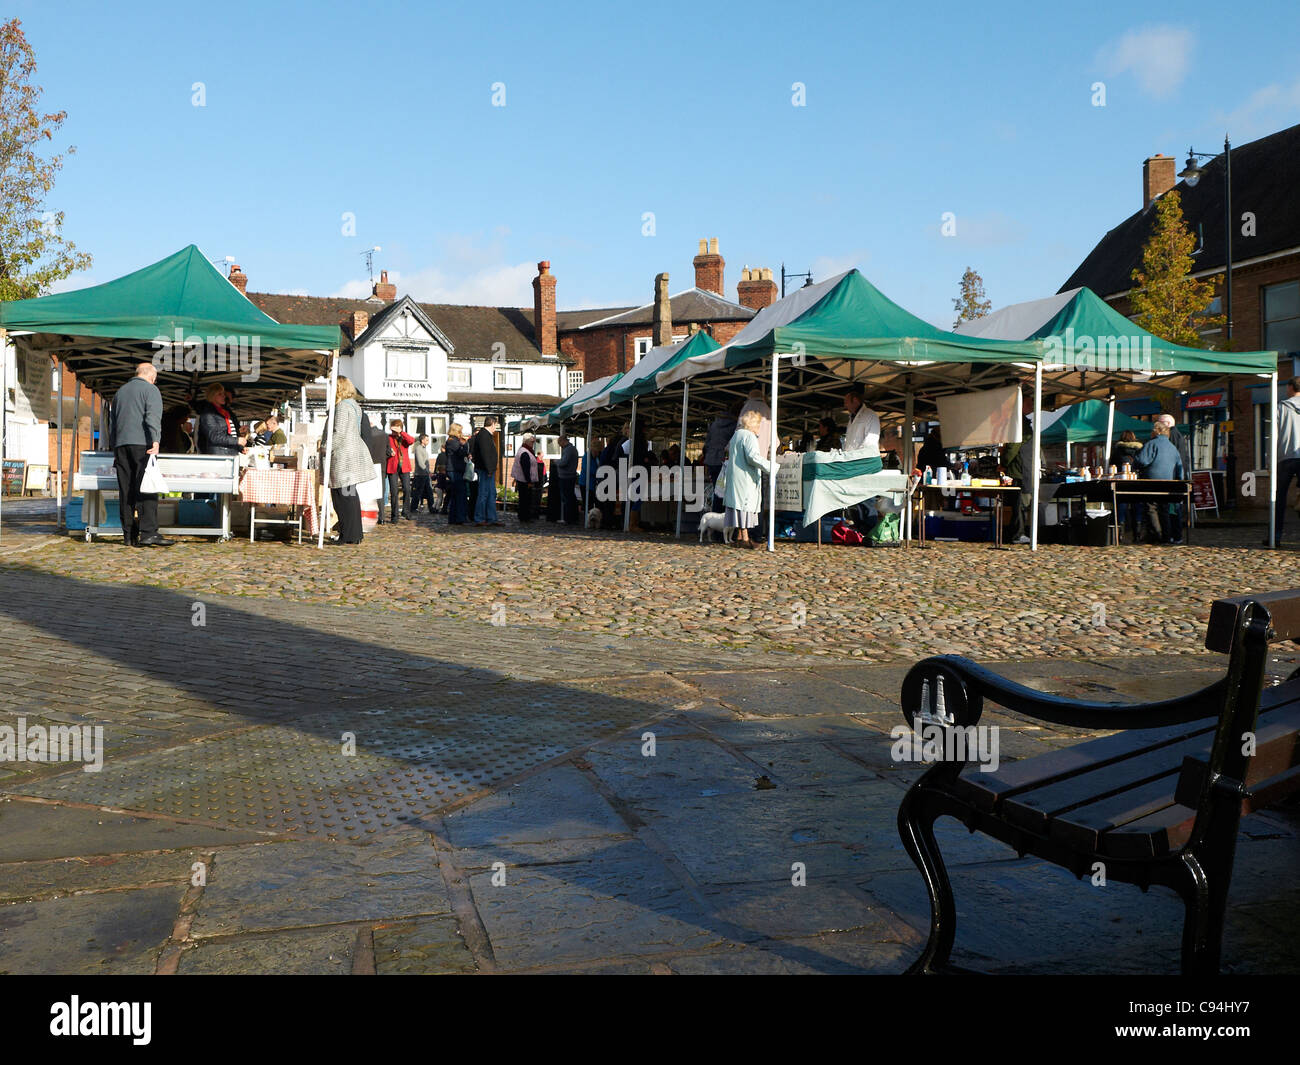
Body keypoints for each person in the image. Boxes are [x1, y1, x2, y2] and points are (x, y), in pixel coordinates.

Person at [108, 362, 172, 548]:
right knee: (147, 488)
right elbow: (152, 417)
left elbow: (113, 423)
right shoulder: (151, 390)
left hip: (121, 446)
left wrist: (115, 446)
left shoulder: (119, 393)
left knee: (126, 491)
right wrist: (156, 440)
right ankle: (149, 533)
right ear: (152, 377)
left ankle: (128, 535)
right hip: (143, 445)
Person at [325, 376, 371, 545]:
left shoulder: (343, 407)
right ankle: (354, 534)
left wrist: (325, 447)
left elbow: (339, 432)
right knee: (349, 496)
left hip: (343, 458)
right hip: (350, 457)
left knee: (343, 497)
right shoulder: (353, 405)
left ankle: (348, 535)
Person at [724, 409, 772, 549]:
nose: (759, 429)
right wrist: (771, 466)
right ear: (753, 425)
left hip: (736, 476)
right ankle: (745, 538)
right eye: (758, 425)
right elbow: (753, 457)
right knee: (745, 506)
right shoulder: (749, 436)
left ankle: (740, 536)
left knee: (739, 506)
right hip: (745, 477)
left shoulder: (736, 435)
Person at [1135, 421, 1185, 543]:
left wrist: (1135, 460)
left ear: (1157, 431)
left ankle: (1157, 534)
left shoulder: (1151, 444)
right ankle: (1167, 536)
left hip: (1152, 482)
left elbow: (1142, 461)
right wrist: (1180, 483)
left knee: (1151, 508)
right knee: (1164, 509)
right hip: (1168, 484)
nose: (1151, 433)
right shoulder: (1173, 448)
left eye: (1152, 430)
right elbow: (1179, 467)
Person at [1002, 396, 1038, 544]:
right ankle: (1017, 534)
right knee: (1020, 504)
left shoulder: (1021, 422)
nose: (1032, 405)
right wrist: (1004, 463)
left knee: (1020, 503)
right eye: (1030, 402)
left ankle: (1017, 533)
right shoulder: (1020, 423)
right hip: (1021, 470)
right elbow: (1013, 447)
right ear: (1021, 404)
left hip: (1022, 468)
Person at [1268, 377, 1300, 546]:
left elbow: (1273, 437)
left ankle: (1276, 536)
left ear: (1290, 387)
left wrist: (1269, 461)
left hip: (1285, 458)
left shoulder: (1281, 407)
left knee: (1279, 498)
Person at [1109, 429, 1146, 543]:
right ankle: (1137, 535)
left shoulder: (1117, 451)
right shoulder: (1140, 450)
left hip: (1121, 482)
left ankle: (1120, 535)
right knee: (1137, 507)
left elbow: (1112, 466)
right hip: (1137, 481)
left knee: (1121, 507)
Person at [194, 382, 247, 456]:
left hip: (230, 453)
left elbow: (231, 434)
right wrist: (237, 441)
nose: (224, 396)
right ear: (212, 396)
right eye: (220, 394)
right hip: (219, 455)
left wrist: (240, 447)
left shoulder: (226, 412)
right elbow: (214, 436)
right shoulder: (208, 414)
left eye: (223, 394)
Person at [471, 416, 501, 525]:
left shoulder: (486, 435)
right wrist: (489, 468)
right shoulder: (483, 435)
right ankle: (480, 518)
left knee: (491, 494)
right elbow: (485, 454)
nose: (495, 428)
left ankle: (491, 518)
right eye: (495, 425)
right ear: (492, 424)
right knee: (483, 494)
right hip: (485, 469)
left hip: (488, 469)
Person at [384, 419, 415, 522]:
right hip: (392, 466)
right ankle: (394, 515)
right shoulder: (388, 438)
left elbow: (411, 441)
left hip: (404, 466)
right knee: (394, 492)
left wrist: (400, 432)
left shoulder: (404, 437)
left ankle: (406, 511)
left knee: (407, 489)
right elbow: (385, 450)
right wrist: (389, 452)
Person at [703, 402, 741, 484]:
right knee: (725, 490)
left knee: (716, 488)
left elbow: (707, 443)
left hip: (711, 460)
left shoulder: (714, 424)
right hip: (725, 460)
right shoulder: (735, 425)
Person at [511, 434, 542, 523]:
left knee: (524, 499)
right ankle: (524, 517)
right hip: (524, 480)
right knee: (525, 499)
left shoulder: (525, 450)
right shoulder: (525, 452)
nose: (533, 443)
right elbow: (526, 468)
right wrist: (529, 481)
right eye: (532, 442)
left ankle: (524, 517)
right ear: (526, 442)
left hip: (523, 479)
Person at [842, 383, 881, 455]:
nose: (845, 405)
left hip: (863, 461)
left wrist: (853, 457)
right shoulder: (851, 417)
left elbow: (869, 443)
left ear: (855, 400)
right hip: (852, 460)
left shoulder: (870, 415)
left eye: (846, 402)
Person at [444, 423, 470, 525]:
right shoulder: (453, 442)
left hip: (454, 469)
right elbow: (462, 453)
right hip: (455, 470)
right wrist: (466, 444)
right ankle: (459, 517)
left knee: (455, 495)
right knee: (460, 494)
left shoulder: (451, 441)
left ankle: (454, 517)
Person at [739, 390, 773, 461]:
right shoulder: (768, 410)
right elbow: (774, 440)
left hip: (744, 458)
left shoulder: (746, 408)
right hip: (762, 458)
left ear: (749, 397)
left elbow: (739, 431)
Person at [554, 433, 579, 524]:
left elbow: (564, 462)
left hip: (566, 477)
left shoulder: (569, 449)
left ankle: (568, 518)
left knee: (567, 498)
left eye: (559, 443)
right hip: (569, 476)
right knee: (570, 497)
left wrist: (556, 462)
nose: (559, 446)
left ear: (563, 441)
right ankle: (572, 517)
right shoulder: (571, 449)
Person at [410, 433, 437, 515]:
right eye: (427, 440)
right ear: (422, 440)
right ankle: (413, 508)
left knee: (429, 492)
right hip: (420, 475)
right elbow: (420, 463)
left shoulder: (424, 449)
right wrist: (428, 472)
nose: (428, 441)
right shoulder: (418, 448)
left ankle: (431, 507)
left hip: (425, 474)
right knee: (418, 492)